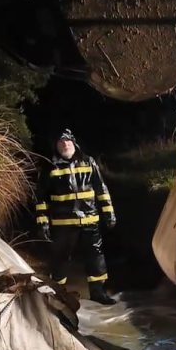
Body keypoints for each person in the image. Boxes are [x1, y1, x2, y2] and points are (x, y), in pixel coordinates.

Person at [35, 129, 117, 305]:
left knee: (95, 256)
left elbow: (101, 189)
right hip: (63, 223)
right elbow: (40, 197)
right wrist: (43, 223)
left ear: (74, 142)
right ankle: (57, 295)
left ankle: (98, 292)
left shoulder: (89, 162)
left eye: (67, 141)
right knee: (61, 258)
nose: (65, 144)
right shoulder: (49, 166)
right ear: (55, 146)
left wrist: (108, 212)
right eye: (60, 141)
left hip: (90, 220)